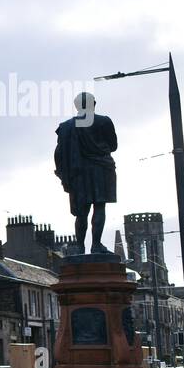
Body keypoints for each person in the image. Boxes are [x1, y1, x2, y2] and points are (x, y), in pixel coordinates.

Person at [53, 92, 118, 254]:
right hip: (101, 169)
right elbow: (113, 146)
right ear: (94, 104)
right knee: (99, 206)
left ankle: (80, 247)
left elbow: (58, 153)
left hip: (78, 173)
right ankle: (96, 245)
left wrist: (62, 174)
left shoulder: (66, 127)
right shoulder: (104, 121)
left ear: (76, 106)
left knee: (81, 213)